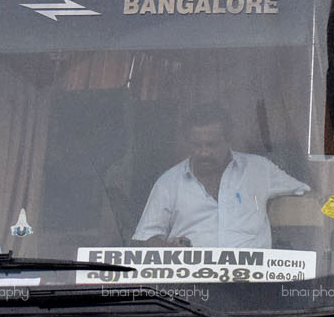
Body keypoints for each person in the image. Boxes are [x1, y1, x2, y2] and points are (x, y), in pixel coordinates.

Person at [133, 106, 310, 248]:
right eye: (196, 145)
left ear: (229, 139)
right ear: (187, 142)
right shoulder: (169, 183)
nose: (204, 152)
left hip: (253, 286)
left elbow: (308, 195)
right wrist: (169, 248)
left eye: (212, 145)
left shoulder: (259, 169)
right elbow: (145, 239)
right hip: (190, 287)